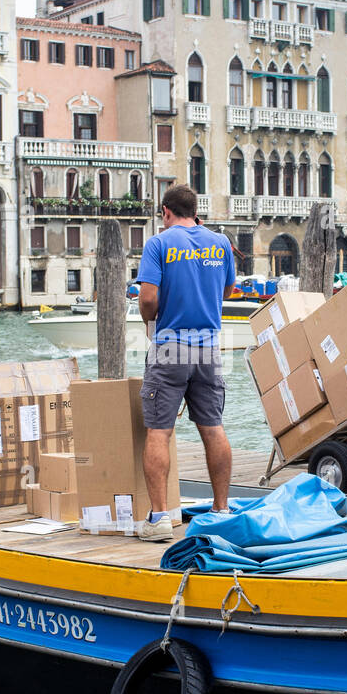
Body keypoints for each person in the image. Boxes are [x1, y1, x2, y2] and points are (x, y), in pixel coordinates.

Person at [135, 185, 235, 542]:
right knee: (213, 427)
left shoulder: (158, 244)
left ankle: (159, 519)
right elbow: (226, 291)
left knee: (159, 431)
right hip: (208, 348)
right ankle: (221, 510)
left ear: (165, 212)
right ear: (195, 211)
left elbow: (147, 297)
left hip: (169, 348)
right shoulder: (220, 243)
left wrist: (152, 321)